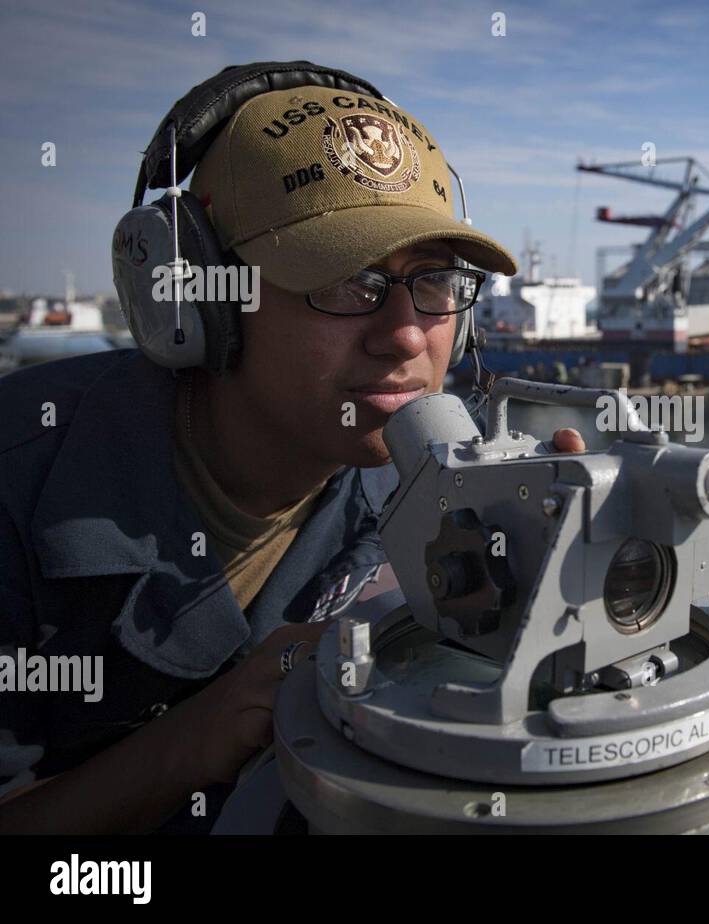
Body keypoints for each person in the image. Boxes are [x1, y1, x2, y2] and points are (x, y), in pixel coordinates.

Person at [0, 65, 583, 834]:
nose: (408, 334)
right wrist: (200, 736)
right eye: (346, 280)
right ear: (195, 296)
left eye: (434, 280)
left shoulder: (420, 468)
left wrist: (558, 578)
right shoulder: (21, 485)